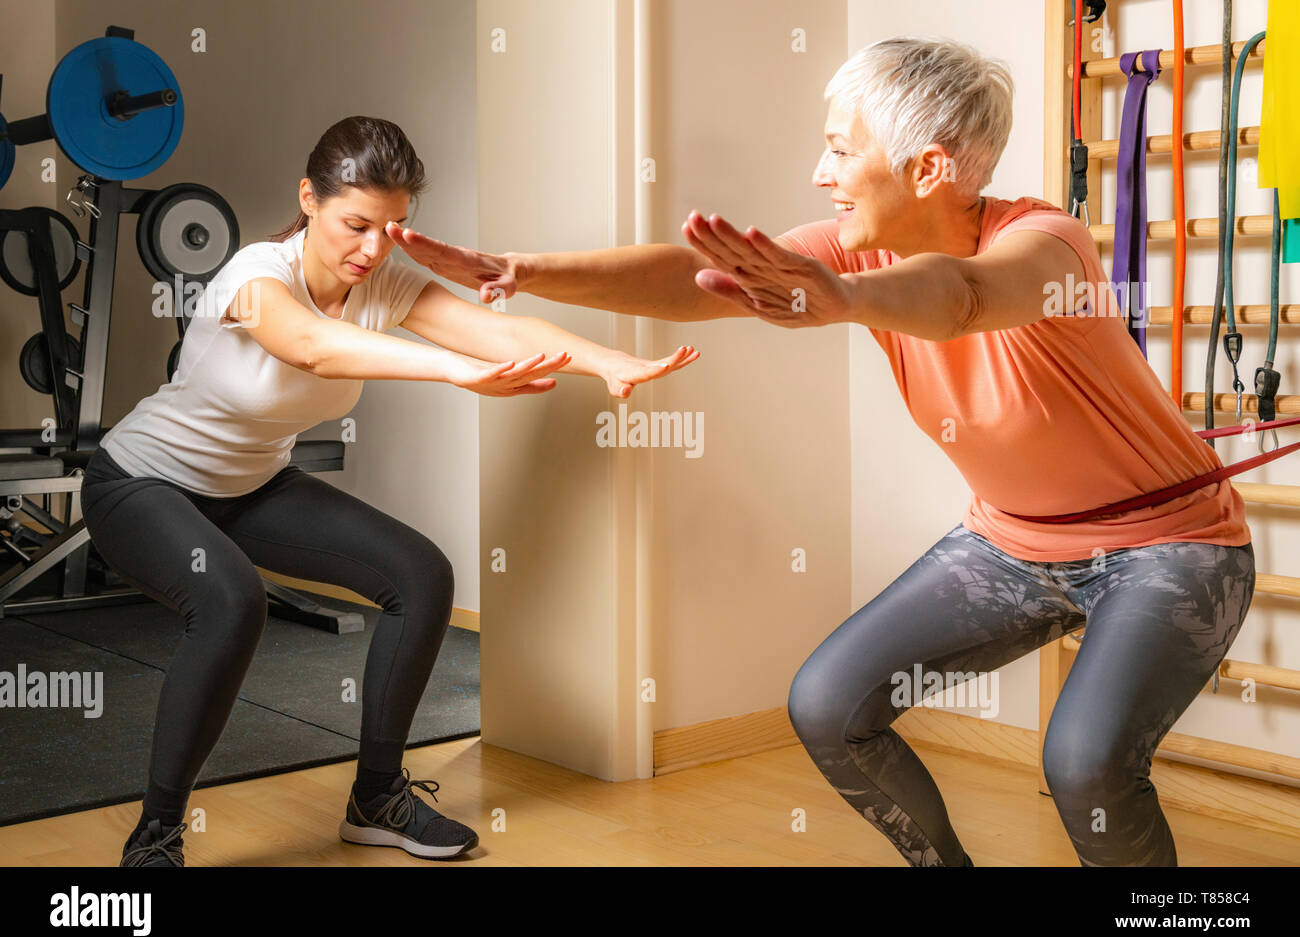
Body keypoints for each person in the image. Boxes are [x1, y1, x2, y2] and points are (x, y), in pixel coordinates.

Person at [387, 37, 1255, 867]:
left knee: (1084, 763)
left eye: (840, 150)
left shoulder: (1044, 242)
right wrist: (527, 270)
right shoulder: (851, 247)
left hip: (1170, 546)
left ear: (928, 167)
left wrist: (842, 297)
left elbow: (961, 298)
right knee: (829, 703)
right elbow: (689, 279)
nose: (820, 173)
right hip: (1013, 544)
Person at [82, 115, 700, 867]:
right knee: (230, 600)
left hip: (249, 488)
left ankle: (377, 798)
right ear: (307, 199)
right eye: (356, 224)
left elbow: (494, 334)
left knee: (421, 573)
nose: (373, 249)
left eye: (394, 227)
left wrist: (603, 360)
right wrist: (450, 372)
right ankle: (157, 835)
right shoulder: (254, 275)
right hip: (140, 483)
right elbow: (312, 346)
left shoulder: (385, 282)